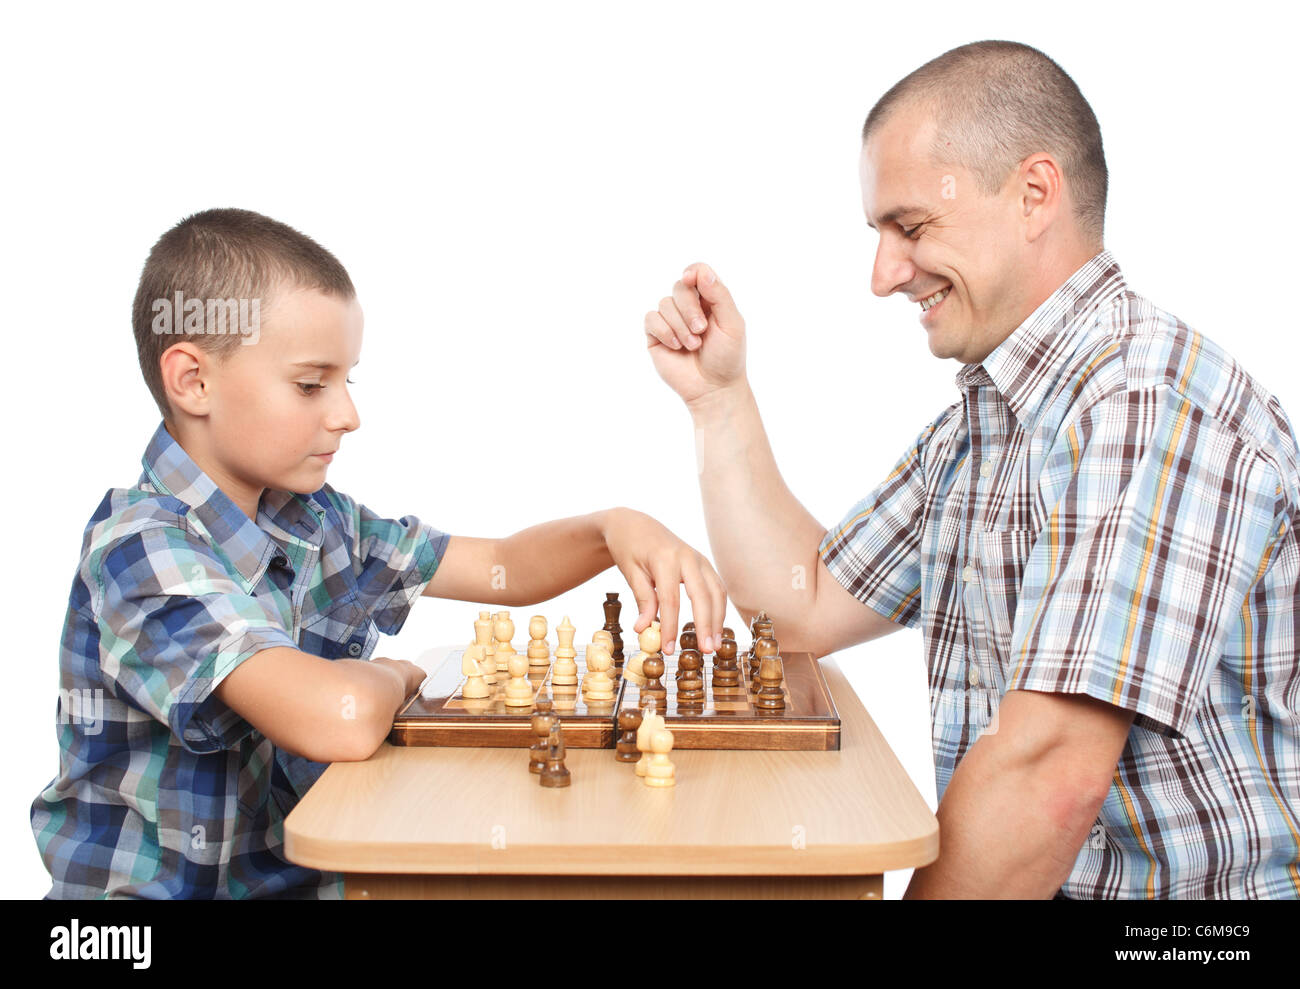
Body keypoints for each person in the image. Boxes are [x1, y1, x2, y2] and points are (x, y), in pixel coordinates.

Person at [645, 40, 1299, 899]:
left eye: (910, 227)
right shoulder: (985, 424)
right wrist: (718, 400)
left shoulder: (1143, 403)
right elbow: (798, 602)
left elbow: (1048, 775)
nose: (882, 276)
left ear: (1034, 195)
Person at [32, 208, 728, 898]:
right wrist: (398, 676)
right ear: (193, 381)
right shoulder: (141, 548)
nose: (346, 414)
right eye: (311, 384)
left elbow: (506, 567)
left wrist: (613, 527)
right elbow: (341, 714)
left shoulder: (313, 519)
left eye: (347, 381)